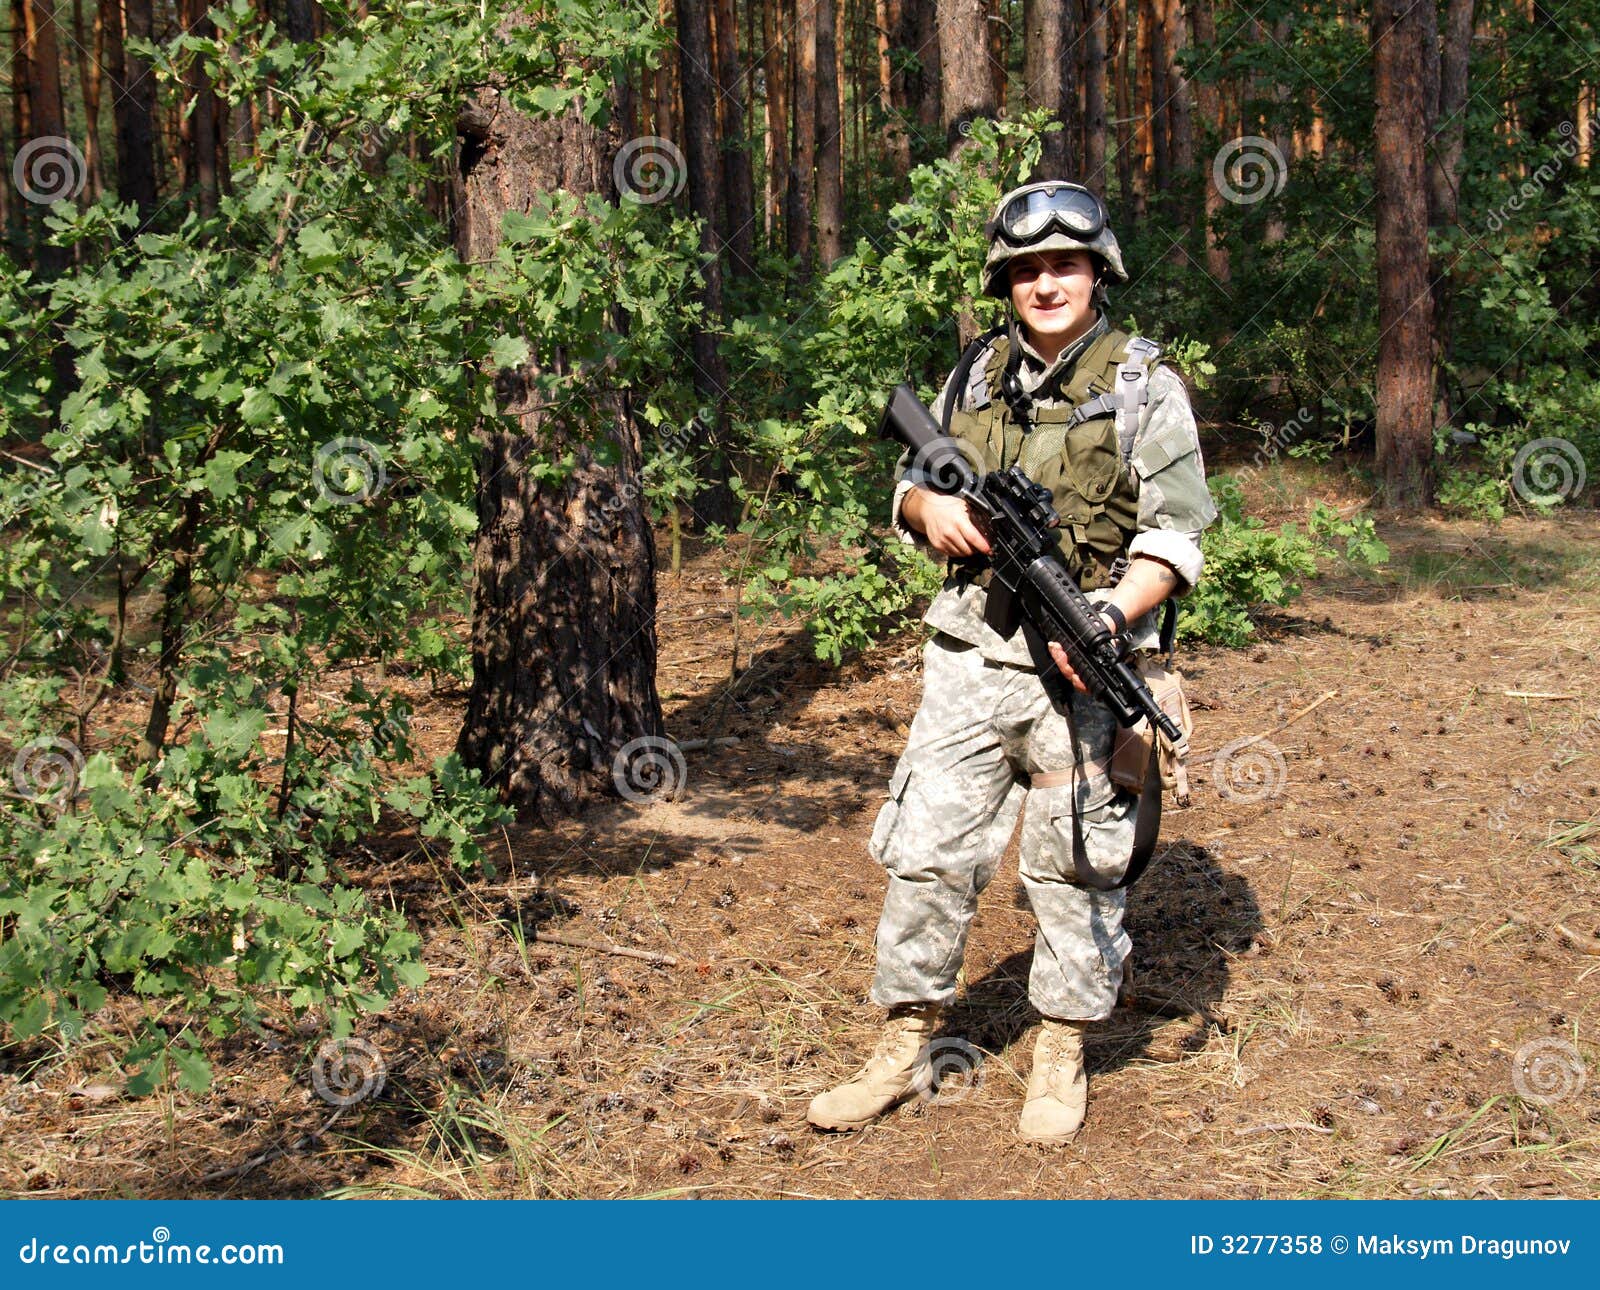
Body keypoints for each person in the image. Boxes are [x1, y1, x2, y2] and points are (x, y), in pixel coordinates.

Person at [807, 181, 1217, 1144]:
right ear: (1007, 280)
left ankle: (1061, 1051)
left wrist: (1110, 617)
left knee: (1075, 863)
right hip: (968, 658)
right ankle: (903, 1045)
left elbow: (1182, 532)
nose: (1046, 284)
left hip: (1083, 661)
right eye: (1027, 269)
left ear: (1097, 271)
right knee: (924, 853)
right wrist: (925, 510)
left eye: (1064, 265)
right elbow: (911, 478)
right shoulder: (973, 375)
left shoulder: (1147, 388)